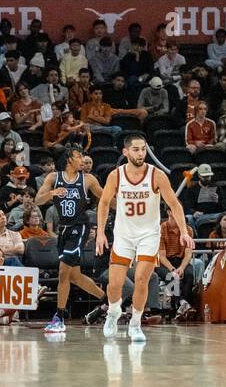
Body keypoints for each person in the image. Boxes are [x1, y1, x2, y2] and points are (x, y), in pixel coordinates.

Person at [95, 132, 192, 342]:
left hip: (149, 235)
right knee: (114, 284)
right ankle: (113, 313)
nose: (141, 153)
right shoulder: (116, 176)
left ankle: (136, 323)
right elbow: (103, 203)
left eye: (143, 149)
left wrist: (184, 231)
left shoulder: (156, 175)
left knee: (142, 280)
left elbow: (174, 204)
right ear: (126, 151)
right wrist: (100, 233)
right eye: (136, 149)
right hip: (123, 235)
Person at [35, 148, 106, 332]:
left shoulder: (88, 179)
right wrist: (52, 194)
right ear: (69, 159)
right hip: (64, 230)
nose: (82, 160)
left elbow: (106, 198)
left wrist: (124, 205)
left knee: (63, 273)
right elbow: (38, 200)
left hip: (80, 227)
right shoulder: (53, 178)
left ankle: (59, 317)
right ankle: (110, 302)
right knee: (74, 277)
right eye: (79, 156)